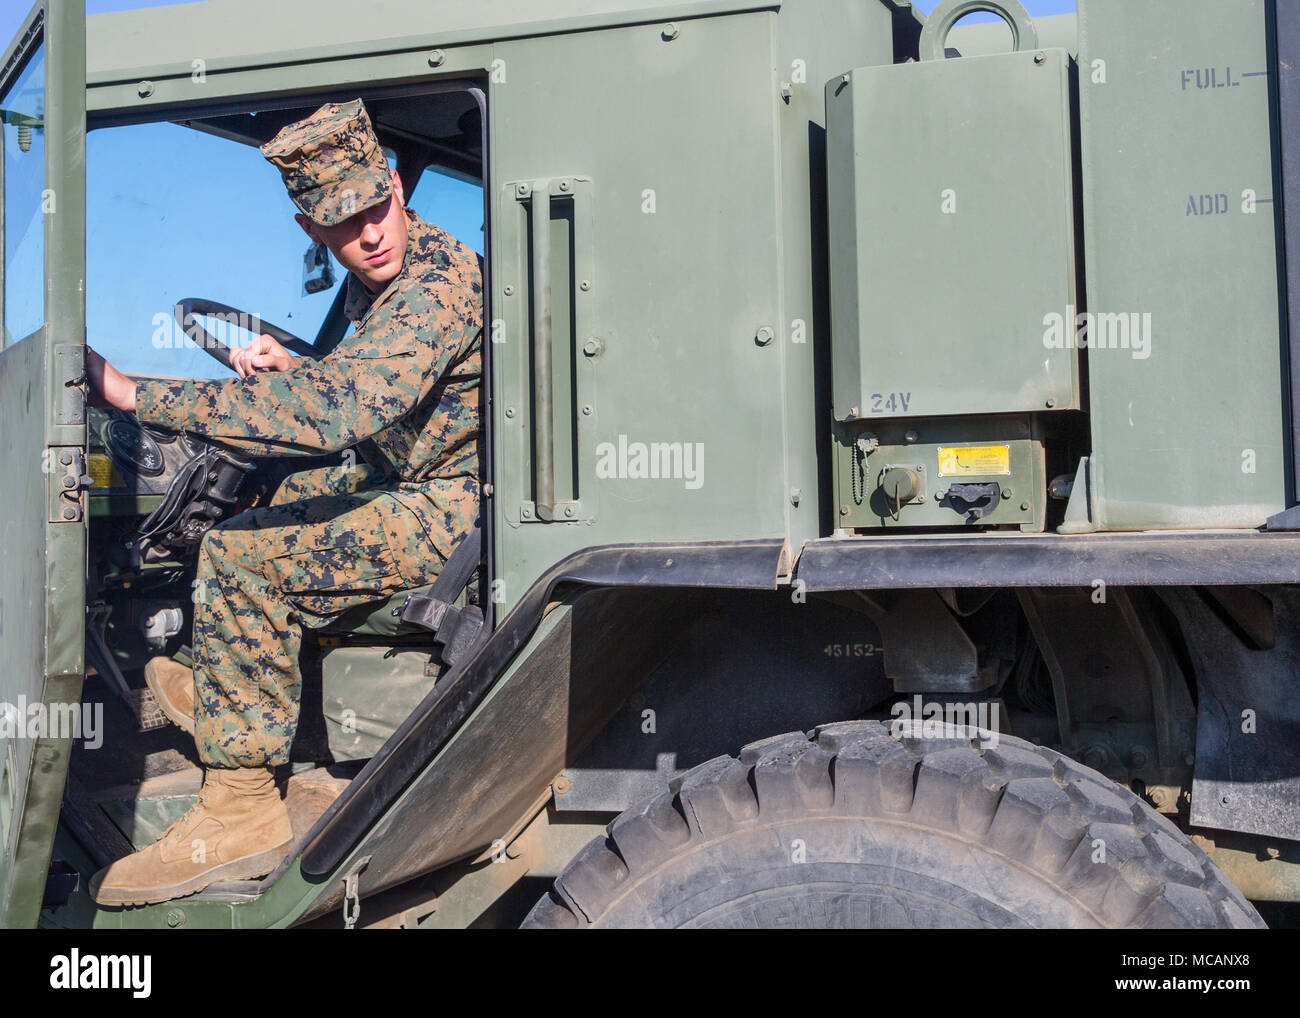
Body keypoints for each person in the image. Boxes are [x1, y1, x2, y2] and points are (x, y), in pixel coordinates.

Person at [84, 99, 483, 905]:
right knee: (285, 491)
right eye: (344, 223)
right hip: (418, 474)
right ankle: (239, 694)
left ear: (398, 187)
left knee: (237, 557)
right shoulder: (387, 280)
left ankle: (241, 816)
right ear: (312, 228)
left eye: (378, 206)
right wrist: (296, 367)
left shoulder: (438, 281)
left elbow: (337, 412)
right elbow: (358, 388)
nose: (371, 233)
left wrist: (134, 396)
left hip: (457, 504)